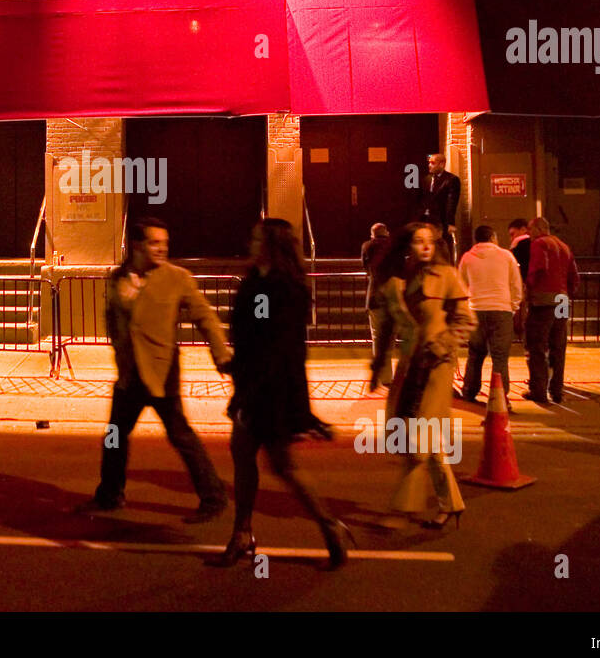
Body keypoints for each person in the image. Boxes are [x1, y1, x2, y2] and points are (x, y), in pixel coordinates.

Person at [210, 219, 356, 569]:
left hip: (269, 389)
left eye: (257, 237)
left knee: (281, 465)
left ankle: (328, 524)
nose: (250, 241)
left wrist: (248, 389)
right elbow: (254, 337)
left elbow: (276, 345)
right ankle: (243, 532)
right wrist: (237, 365)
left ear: (272, 244)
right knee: (247, 456)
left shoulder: (279, 287)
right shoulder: (260, 281)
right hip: (257, 382)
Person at [77, 218, 231, 522]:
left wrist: (221, 353)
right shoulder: (117, 278)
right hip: (130, 375)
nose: (162, 249)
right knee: (115, 436)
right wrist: (119, 351)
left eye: (165, 243)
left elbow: (205, 317)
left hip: (161, 374)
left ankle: (214, 498)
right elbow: (113, 318)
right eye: (154, 243)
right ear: (137, 245)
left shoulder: (178, 278)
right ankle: (109, 495)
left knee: (180, 436)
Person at [378, 222, 476, 528]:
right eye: (418, 241)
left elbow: (465, 320)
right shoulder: (397, 280)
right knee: (417, 437)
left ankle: (402, 511)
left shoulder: (446, 275)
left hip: (435, 366)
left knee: (418, 438)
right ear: (407, 246)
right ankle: (451, 504)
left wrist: (441, 345)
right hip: (408, 366)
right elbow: (388, 326)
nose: (425, 246)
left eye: (429, 241)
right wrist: (377, 364)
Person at [458, 225, 523, 406]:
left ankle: (469, 391)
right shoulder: (506, 256)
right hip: (501, 310)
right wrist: (512, 307)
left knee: (475, 354)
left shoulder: (467, 258)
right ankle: (500, 396)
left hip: (475, 309)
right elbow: (516, 285)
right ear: (493, 237)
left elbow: (461, 286)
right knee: (500, 356)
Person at [523, 217, 579, 404]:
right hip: (562, 299)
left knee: (537, 345)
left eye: (530, 230)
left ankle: (538, 390)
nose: (528, 235)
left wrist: (528, 287)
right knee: (558, 344)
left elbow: (538, 268)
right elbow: (574, 277)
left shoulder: (540, 244)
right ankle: (557, 390)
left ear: (538, 229)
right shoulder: (564, 246)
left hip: (544, 299)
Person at [361, 222, 395, 397]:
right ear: (386, 232)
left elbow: (366, 268)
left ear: (372, 234)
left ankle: (383, 375)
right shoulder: (394, 245)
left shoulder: (367, 246)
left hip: (374, 296)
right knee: (391, 338)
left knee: (377, 337)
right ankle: (390, 376)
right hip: (393, 297)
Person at [418, 153, 460, 261]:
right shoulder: (426, 179)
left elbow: (451, 201)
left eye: (432, 163)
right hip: (426, 219)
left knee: (441, 246)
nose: (429, 165)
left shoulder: (451, 180)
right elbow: (422, 200)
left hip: (441, 220)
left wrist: (450, 222)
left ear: (442, 164)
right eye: (429, 163)